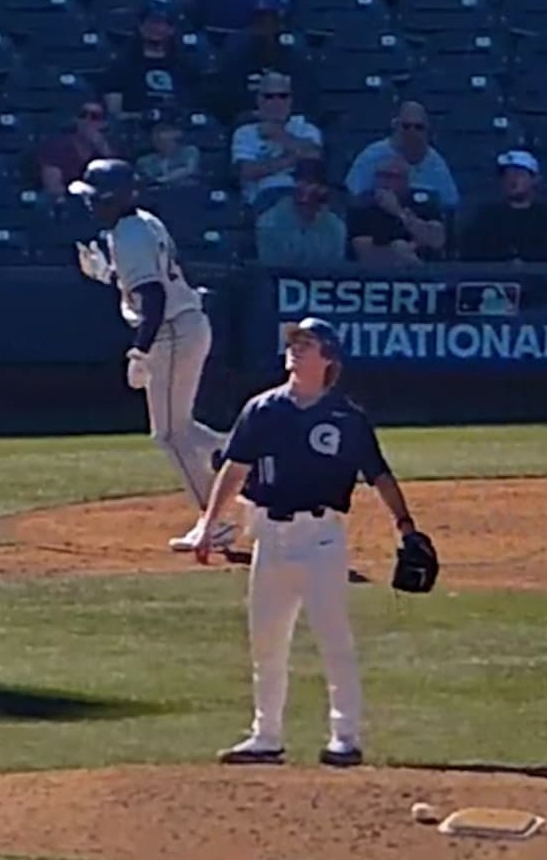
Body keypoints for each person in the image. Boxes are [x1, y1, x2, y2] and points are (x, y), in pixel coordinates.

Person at [181, 316, 429, 768]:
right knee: (266, 644)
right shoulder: (262, 409)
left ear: (328, 358)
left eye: (307, 343)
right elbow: (234, 470)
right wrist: (207, 523)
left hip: (321, 541)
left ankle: (345, 737)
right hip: (270, 540)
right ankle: (266, 736)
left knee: (334, 640)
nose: (295, 349)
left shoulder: (346, 419)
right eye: (294, 342)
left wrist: (405, 525)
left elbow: (378, 475)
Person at [68, 158, 235, 552]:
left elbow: (154, 298)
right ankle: (239, 454)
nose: (90, 205)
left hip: (171, 331)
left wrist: (140, 352)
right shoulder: (139, 223)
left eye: (96, 198)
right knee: (181, 426)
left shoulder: (129, 235)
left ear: (114, 198)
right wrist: (107, 274)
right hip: (185, 325)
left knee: (170, 434)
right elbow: (150, 277)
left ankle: (216, 523)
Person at [230, 71, 322, 211]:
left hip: (302, 197)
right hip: (262, 199)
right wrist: (292, 158)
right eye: (269, 97)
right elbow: (247, 171)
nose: (277, 103)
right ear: (259, 101)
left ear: (291, 100)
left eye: (283, 96)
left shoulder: (306, 128)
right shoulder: (245, 132)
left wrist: (279, 135)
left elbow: (314, 158)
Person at [343, 101, 460, 210]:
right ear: (395, 126)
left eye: (418, 127)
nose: (412, 132)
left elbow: (449, 204)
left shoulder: (436, 165)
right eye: (406, 126)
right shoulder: (371, 156)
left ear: (427, 131)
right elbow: (353, 197)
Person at [457, 149, 547, 263]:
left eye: (518, 174)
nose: (512, 179)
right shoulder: (486, 217)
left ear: (535, 180)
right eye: (507, 175)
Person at [102, 0, 202, 121]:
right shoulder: (121, 65)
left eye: (161, 23)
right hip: (135, 131)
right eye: (151, 22)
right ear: (140, 26)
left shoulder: (185, 66)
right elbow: (114, 114)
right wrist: (146, 116)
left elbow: (195, 109)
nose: (155, 27)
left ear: (172, 29)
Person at [345, 154, 447, 265]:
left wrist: (398, 212)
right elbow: (363, 252)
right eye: (381, 176)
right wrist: (399, 253)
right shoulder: (362, 205)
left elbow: (437, 240)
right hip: (376, 276)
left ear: (406, 180)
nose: (385, 182)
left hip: (429, 274)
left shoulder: (424, 202)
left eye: (393, 176)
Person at [256, 158, 347, 265]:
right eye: (298, 180)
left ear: (324, 189)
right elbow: (270, 265)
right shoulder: (270, 221)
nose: (301, 186)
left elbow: (334, 268)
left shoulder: (336, 226)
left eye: (309, 182)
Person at [36, 101, 115, 198]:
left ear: (104, 123)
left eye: (95, 117)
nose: (87, 120)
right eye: (83, 115)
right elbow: (53, 187)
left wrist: (103, 149)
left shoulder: (111, 148)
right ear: (76, 120)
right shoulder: (57, 146)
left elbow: (120, 184)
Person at [135, 119, 199, 187]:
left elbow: (188, 170)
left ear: (177, 133)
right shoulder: (144, 162)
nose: (158, 136)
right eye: (155, 132)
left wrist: (162, 180)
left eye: (163, 131)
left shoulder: (189, 152)